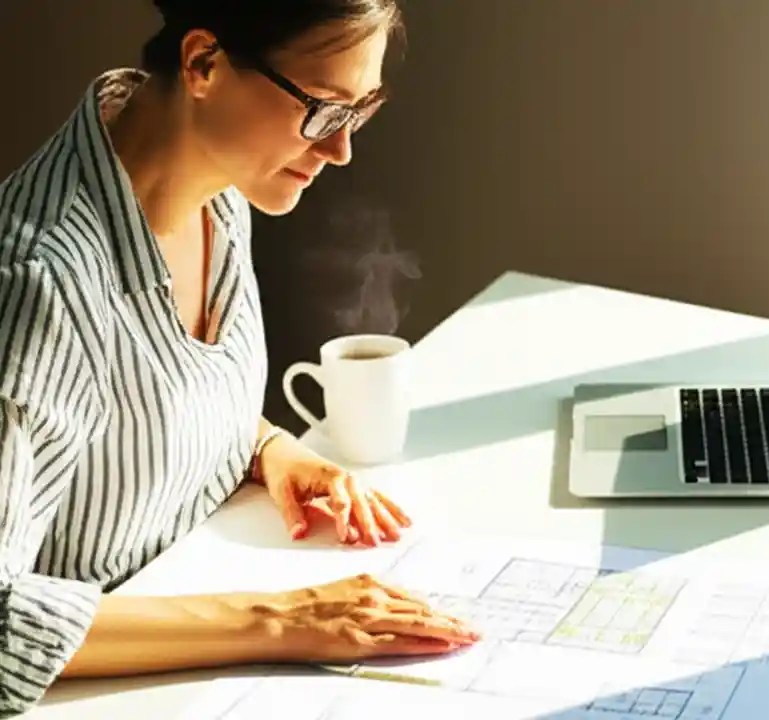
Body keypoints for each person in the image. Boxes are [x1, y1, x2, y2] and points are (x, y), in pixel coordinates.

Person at [0, 2, 478, 714]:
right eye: (322, 110)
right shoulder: (38, 284)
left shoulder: (219, 191)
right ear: (203, 64)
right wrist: (281, 620)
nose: (340, 149)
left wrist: (266, 446)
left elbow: (121, 402)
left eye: (360, 110)